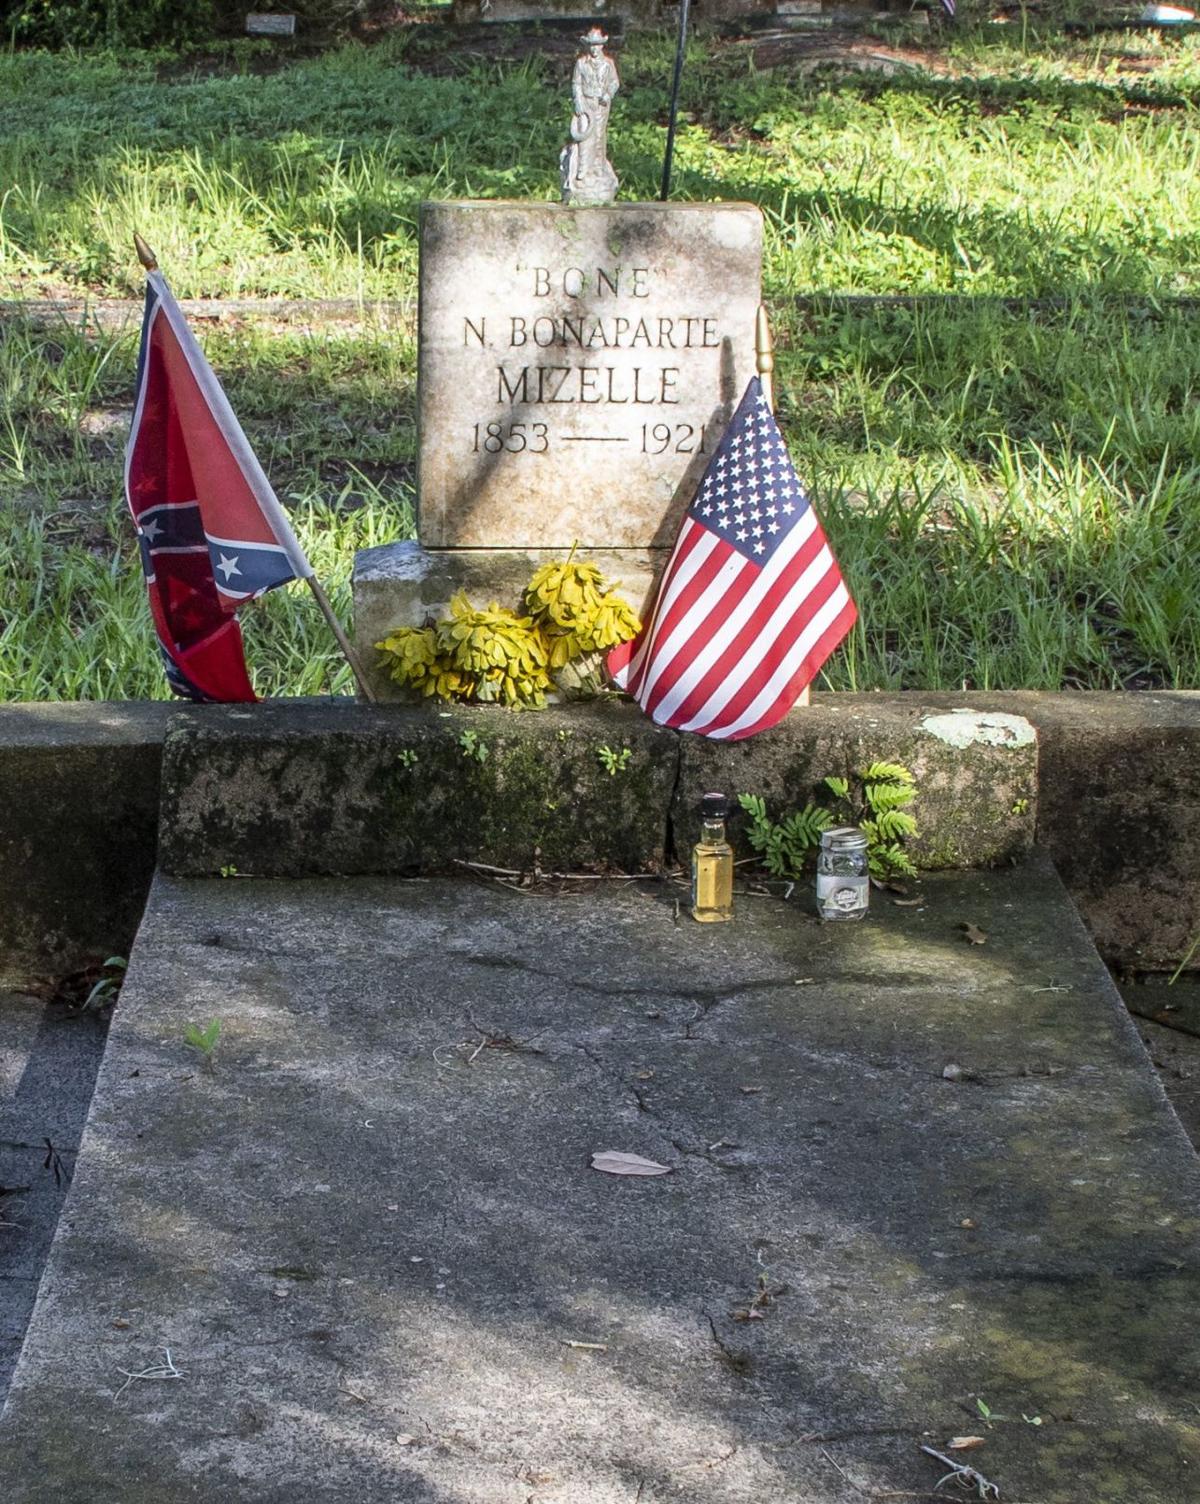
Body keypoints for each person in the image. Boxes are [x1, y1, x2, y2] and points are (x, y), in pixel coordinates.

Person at [561, 28, 619, 205]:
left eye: (597, 45)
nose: (594, 49)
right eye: (591, 45)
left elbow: (614, 82)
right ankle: (582, 171)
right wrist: (578, 101)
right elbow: (576, 83)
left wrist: (608, 93)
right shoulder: (581, 63)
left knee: (599, 136)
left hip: (601, 104)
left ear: (602, 45)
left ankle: (598, 169)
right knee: (584, 136)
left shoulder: (608, 64)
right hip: (586, 103)